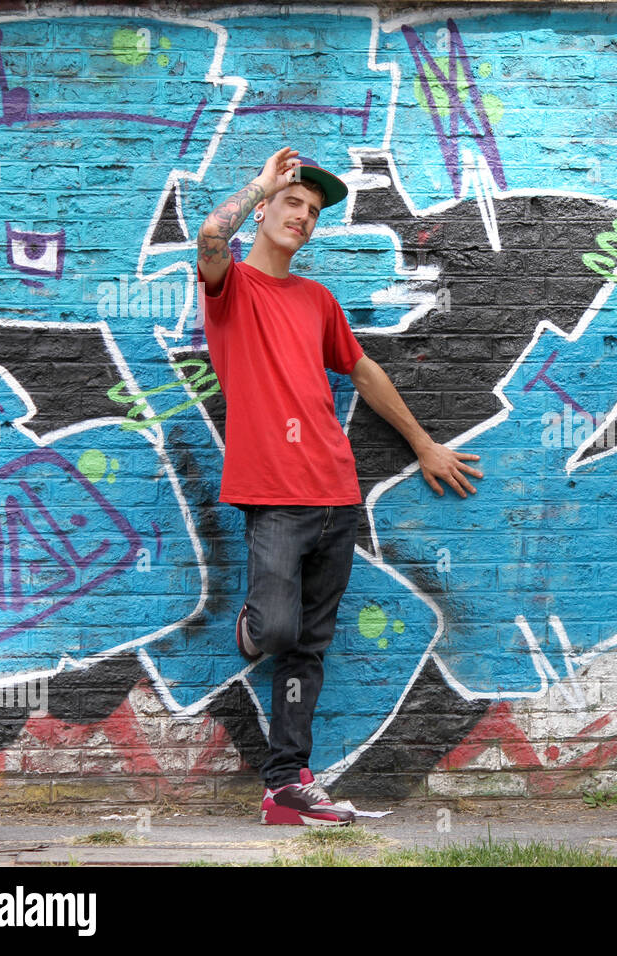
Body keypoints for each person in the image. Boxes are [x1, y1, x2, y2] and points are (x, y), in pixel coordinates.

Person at [196, 147, 482, 825]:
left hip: (336, 494)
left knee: (309, 648)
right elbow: (209, 237)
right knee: (275, 630)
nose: (303, 217)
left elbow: (364, 371)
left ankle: (286, 784)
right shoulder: (231, 286)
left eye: (314, 211)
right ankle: (250, 627)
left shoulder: (316, 299)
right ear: (263, 211)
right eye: (292, 203)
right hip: (273, 497)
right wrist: (260, 181)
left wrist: (423, 443)